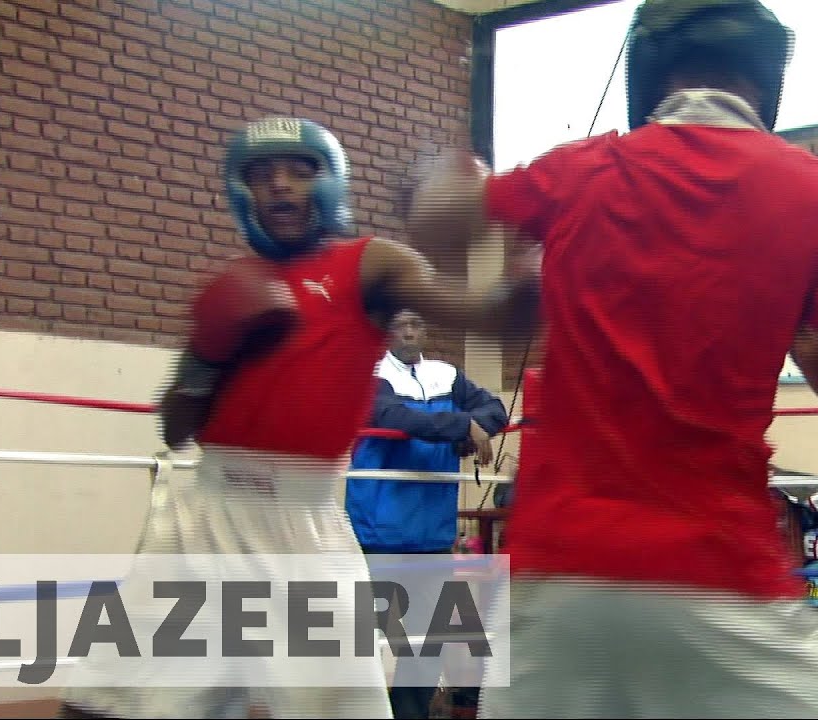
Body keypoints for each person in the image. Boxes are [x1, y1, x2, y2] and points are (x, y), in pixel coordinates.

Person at [405, 0, 818, 716]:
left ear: (649, 73)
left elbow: (437, 218)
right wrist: (796, 324)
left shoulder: (580, 171)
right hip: (719, 574)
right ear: (766, 77)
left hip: (563, 572)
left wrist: (448, 172)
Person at [56, 116, 537, 720]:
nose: (279, 185)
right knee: (109, 708)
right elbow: (176, 428)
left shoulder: (372, 264)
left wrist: (527, 253)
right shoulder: (235, 285)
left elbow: (489, 316)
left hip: (301, 528)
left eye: (298, 171)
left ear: (329, 181)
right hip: (202, 515)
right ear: (242, 191)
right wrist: (207, 351)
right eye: (261, 175)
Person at [346, 309, 508, 719]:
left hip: (433, 536)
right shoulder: (370, 372)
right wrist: (464, 427)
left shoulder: (446, 375)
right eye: (399, 322)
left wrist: (474, 425)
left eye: (417, 322)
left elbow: (494, 409)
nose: (409, 330)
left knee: (427, 645)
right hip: (378, 536)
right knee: (363, 647)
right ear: (386, 329)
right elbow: (396, 417)